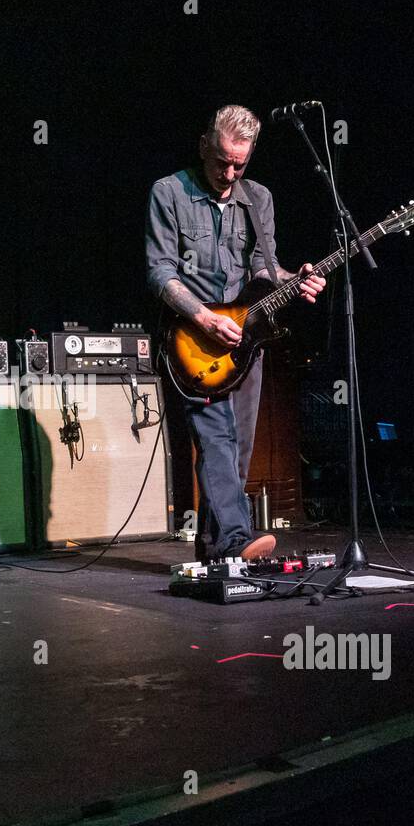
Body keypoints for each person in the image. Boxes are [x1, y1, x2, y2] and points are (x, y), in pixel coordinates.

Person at [146, 105, 325, 561]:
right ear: (205, 144)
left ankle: (216, 552)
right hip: (191, 341)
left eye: (239, 165)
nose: (229, 172)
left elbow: (264, 266)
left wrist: (293, 279)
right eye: (222, 160)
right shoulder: (169, 192)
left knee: (238, 447)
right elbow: (159, 270)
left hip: (246, 342)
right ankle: (236, 540)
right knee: (215, 439)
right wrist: (204, 317)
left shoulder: (258, 198)